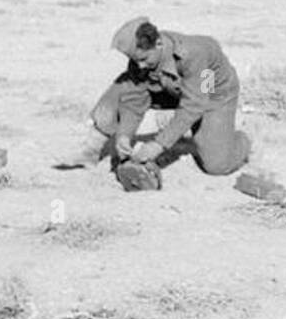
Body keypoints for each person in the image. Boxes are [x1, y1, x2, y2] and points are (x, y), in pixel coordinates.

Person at [58, 17, 251, 190]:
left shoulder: (197, 54)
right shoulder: (141, 59)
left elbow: (197, 103)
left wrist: (159, 144)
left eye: (143, 59)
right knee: (122, 87)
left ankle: (243, 141)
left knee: (216, 165)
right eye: (135, 60)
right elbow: (134, 101)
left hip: (211, 95)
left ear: (158, 43)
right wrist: (124, 135)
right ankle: (92, 149)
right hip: (171, 91)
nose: (139, 65)